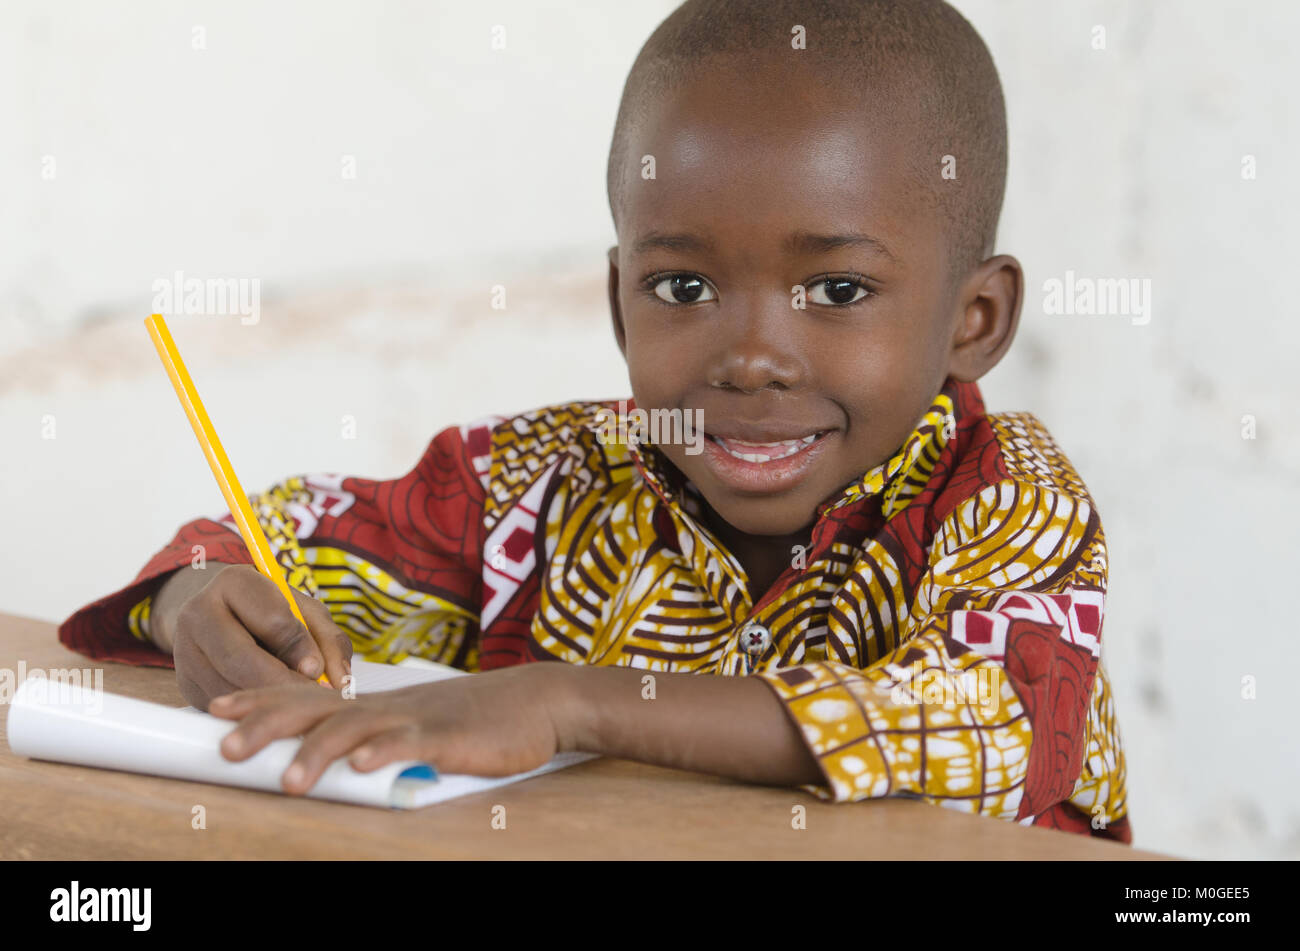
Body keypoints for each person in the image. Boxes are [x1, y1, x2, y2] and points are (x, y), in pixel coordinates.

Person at [59, 0, 1131, 842]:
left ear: (974, 319)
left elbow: (996, 723)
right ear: (619, 300)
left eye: (837, 292)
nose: (751, 357)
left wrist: (570, 704)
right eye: (682, 287)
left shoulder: (1008, 500)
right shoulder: (539, 480)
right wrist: (199, 595)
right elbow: (281, 541)